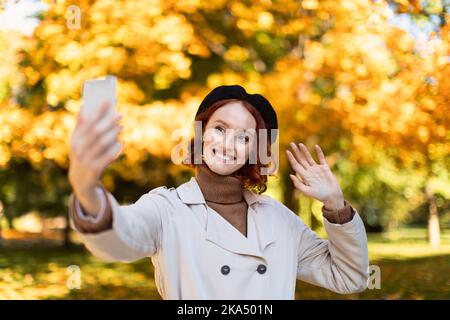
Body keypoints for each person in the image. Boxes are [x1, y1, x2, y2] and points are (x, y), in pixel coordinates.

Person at [68, 84, 369, 299]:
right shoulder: (166, 209)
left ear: (254, 150)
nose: (227, 144)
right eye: (220, 129)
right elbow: (116, 241)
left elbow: (349, 277)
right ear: (200, 132)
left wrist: (334, 204)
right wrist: (84, 186)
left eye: (243, 137)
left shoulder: (278, 218)